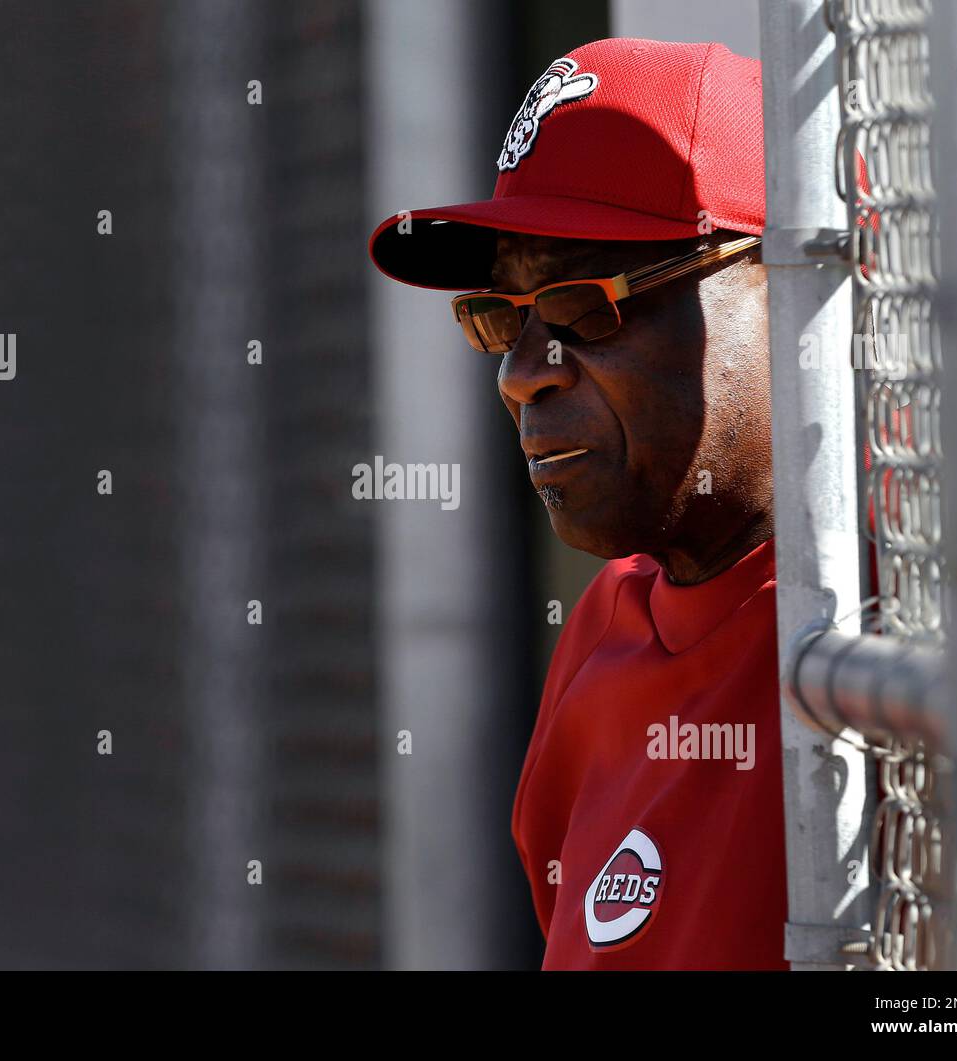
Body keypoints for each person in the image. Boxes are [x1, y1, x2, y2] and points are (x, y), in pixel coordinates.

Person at [367, 37, 787, 969]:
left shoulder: (903, 634)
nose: (523, 376)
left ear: (785, 286)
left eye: (584, 308)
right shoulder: (602, 630)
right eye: (503, 319)